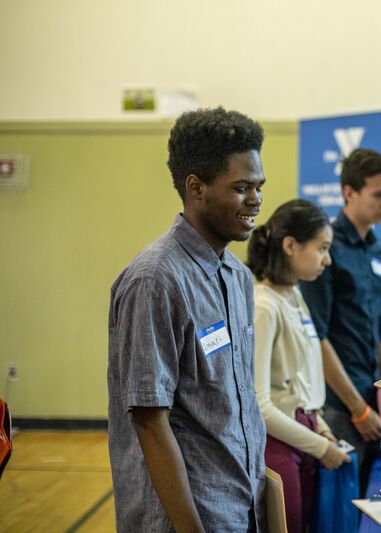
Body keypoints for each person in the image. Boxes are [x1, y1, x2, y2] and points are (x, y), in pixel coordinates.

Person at [107, 107, 268, 532]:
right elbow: (149, 419)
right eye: (241, 187)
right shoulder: (154, 280)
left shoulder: (238, 278)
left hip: (239, 508)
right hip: (185, 520)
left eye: (259, 187)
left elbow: (238, 404)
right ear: (196, 188)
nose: (255, 200)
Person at [300, 148, 381, 494]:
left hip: (370, 399)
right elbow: (318, 336)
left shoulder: (376, 250)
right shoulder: (326, 249)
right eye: (379, 195)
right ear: (349, 193)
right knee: (341, 506)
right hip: (337, 405)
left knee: (367, 501)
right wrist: (357, 410)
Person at [247, 199, 351, 533]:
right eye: (322, 248)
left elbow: (296, 384)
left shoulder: (294, 295)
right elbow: (260, 405)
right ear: (291, 245)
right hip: (279, 444)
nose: (328, 259)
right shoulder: (263, 305)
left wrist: (318, 425)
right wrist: (320, 447)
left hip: (306, 434)